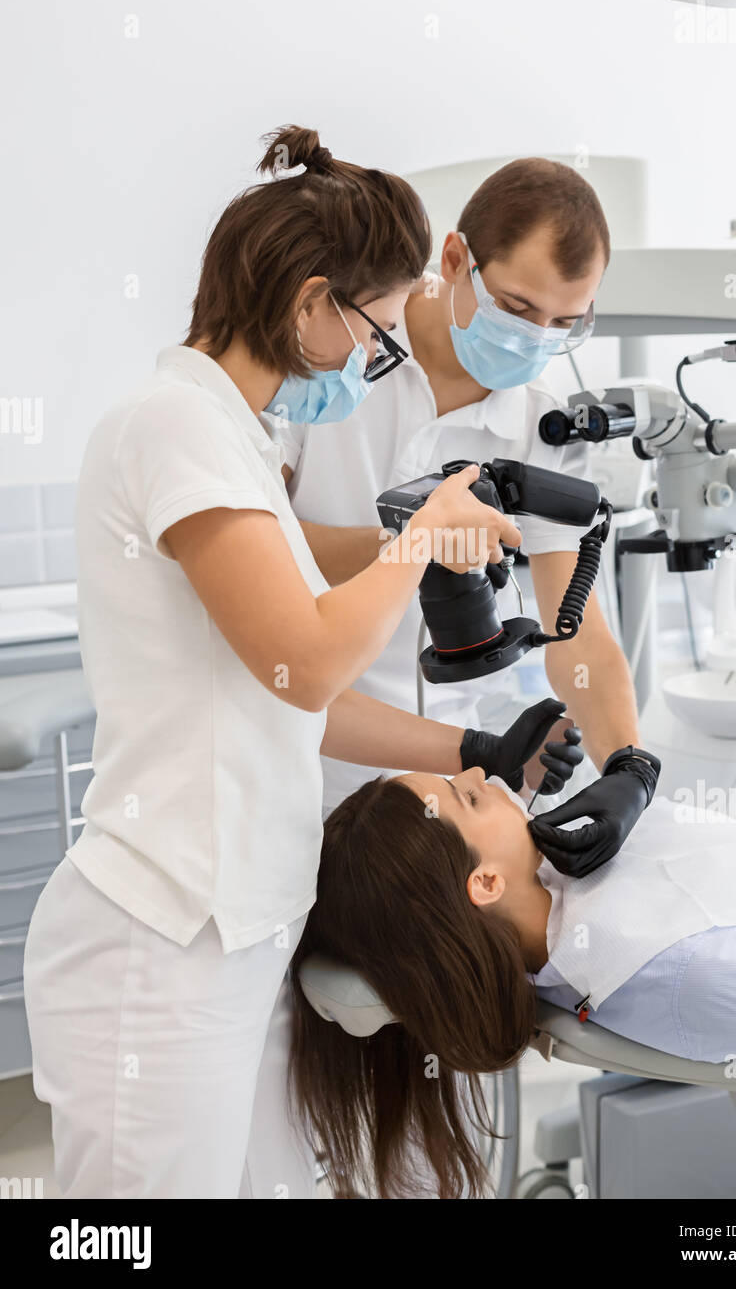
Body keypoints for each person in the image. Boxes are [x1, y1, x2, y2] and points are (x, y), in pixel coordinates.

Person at [22, 125, 581, 1200]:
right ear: (312, 301)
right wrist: (418, 537)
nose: (369, 364)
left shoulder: (235, 441)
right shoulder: (172, 425)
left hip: (243, 924)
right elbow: (306, 667)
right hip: (163, 930)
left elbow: (293, 709)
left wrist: (468, 742)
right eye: (372, 335)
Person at [280, 157, 659, 864]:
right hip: (296, 751)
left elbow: (575, 633)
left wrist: (629, 768)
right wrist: (416, 544)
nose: (536, 339)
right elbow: (260, 549)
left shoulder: (541, 427)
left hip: (446, 783)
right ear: (455, 258)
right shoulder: (332, 360)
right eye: (518, 309)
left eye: (564, 323)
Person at [290, 769, 736, 1198]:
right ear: (487, 880)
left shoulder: (566, 877)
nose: (478, 774)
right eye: (467, 796)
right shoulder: (679, 974)